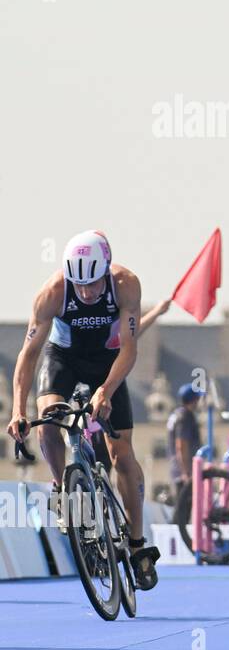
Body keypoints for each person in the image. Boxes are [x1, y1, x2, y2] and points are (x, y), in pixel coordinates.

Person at [5, 230, 160, 589]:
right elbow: (28, 356)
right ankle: (62, 487)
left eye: (93, 284)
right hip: (64, 359)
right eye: (81, 285)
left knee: (122, 455)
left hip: (109, 361)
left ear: (106, 271)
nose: (87, 292)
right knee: (48, 422)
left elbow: (130, 350)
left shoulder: (125, 284)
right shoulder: (53, 292)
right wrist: (17, 410)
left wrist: (105, 391)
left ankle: (136, 543)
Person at [167, 382, 203, 489]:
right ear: (193, 400)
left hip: (176, 470)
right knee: (186, 504)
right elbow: (181, 444)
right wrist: (186, 472)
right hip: (184, 473)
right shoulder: (185, 416)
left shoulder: (176, 414)